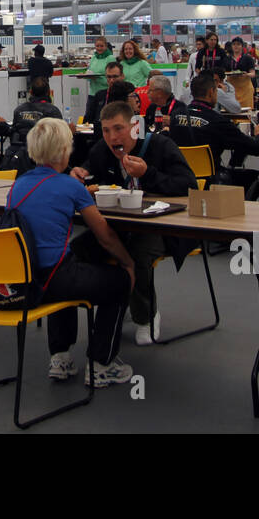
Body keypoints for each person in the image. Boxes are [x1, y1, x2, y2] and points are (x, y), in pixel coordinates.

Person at [7, 118, 135, 387]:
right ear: (64, 151)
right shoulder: (71, 186)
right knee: (120, 282)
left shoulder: (17, 185)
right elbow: (106, 237)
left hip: (26, 280)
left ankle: (61, 356)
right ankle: (102, 363)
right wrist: (128, 263)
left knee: (65, 268)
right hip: (56, 279)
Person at [70, 101, 196, 345]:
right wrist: (80, 173)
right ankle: (113, 301)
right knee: (77, 250)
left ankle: (145, 317)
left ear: (135, 127)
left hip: (163, 227)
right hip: (118, 227)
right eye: (106, 130)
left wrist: (148, 174)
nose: (112, 136)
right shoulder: (101, 151)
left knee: (136, 253)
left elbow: (188, 185)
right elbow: (89, 168)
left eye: (118, 129)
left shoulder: (161, 146)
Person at [170, 73, 259, 181]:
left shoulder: (175, 116)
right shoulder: (217, 121)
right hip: (210, 179)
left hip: (180, 176)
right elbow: (254, 148)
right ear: (211, 92)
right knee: (254, 178)